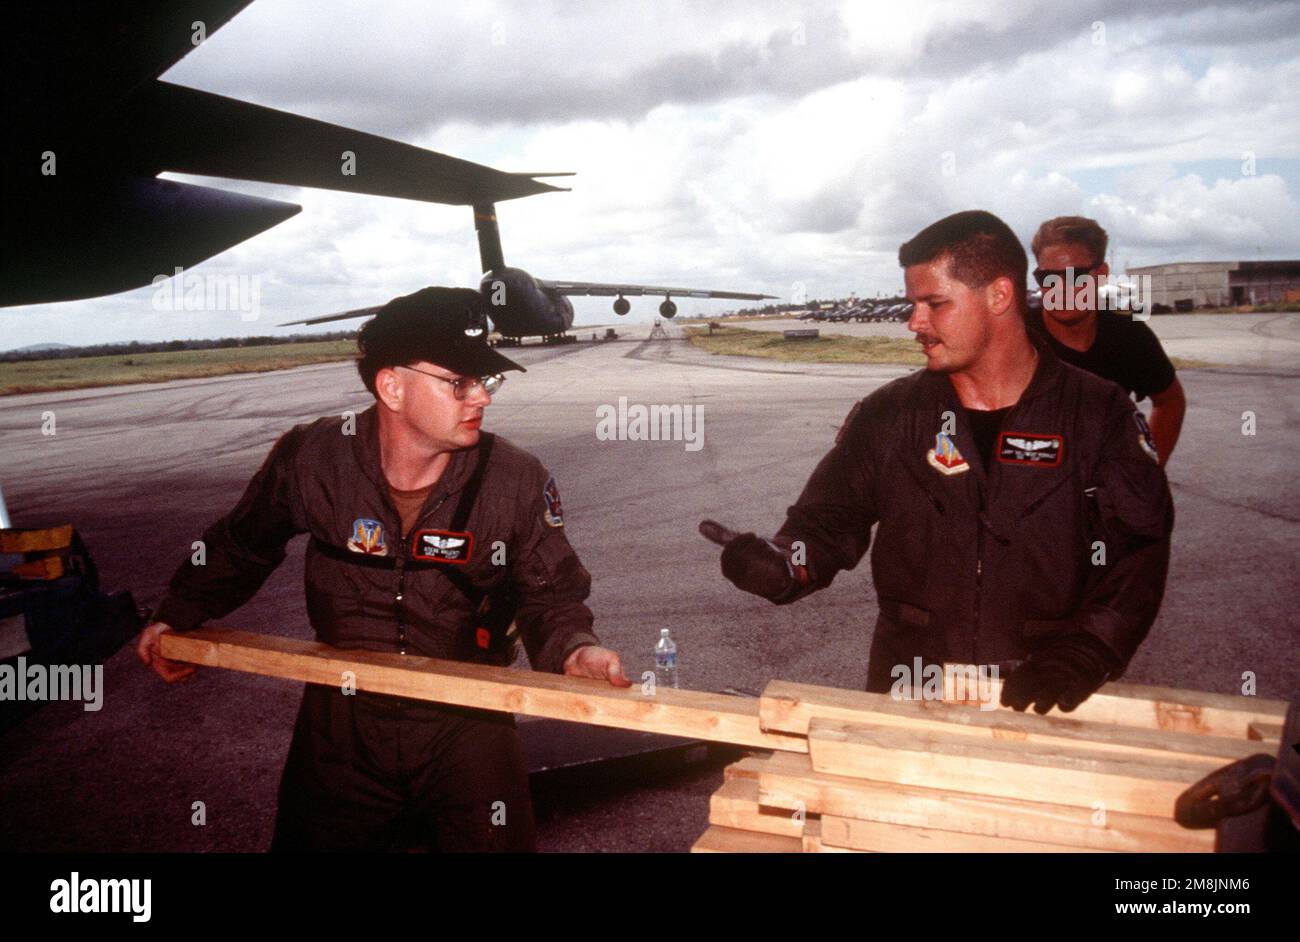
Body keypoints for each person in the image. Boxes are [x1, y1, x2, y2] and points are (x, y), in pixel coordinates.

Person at [136, 286, 630, 852]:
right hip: (342, 722)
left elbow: (551, 595)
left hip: (468, 718)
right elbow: (240, 544)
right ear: (392, 387)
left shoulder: (514, 478)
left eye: (487, 380)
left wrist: (573, 649)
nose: (482, 399)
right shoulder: (314, 459)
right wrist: (177, 611)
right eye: (460, 382)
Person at [708, 210, 1173, 714]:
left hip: (1045, 694)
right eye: (913, 304)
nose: (915, 322)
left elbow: (1136, 552)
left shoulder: (1097, 414)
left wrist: (1089, 648)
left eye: (934, 303)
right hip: (911, 691)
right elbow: (825, 523)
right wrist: (786, 566)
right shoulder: (889, 415)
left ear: (999, 296)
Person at [1028, 216, 1186, 465]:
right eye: (1047, 277)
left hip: (1106, 495)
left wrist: (1147, 471)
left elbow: (1170, 400)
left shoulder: (1129, 337)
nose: (1060, 289)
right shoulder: (1018, 337)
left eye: (1074, 276)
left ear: (1101, 275)